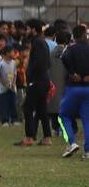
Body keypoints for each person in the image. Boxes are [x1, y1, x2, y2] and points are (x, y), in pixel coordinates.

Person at [18, 20, 54, 148]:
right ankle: (47, 137)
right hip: (43, 79)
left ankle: (29, 137)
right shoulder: (42, 41)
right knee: (41, 109)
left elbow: (39, 63)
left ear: (33, 30)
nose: (26, 31)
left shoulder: (37, 42)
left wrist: (31, 77)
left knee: (27, 108)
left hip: (37, 81)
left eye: (28, 29)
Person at [57, 24, 89, 159]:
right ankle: (88, 151)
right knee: (87, 120)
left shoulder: (70, 49)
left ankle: (71, 142)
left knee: (63, 116)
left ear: (74, 36)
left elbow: (63, 59)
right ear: (83, 35)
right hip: (88, 88)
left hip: (73, 88)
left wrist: (72, 73)